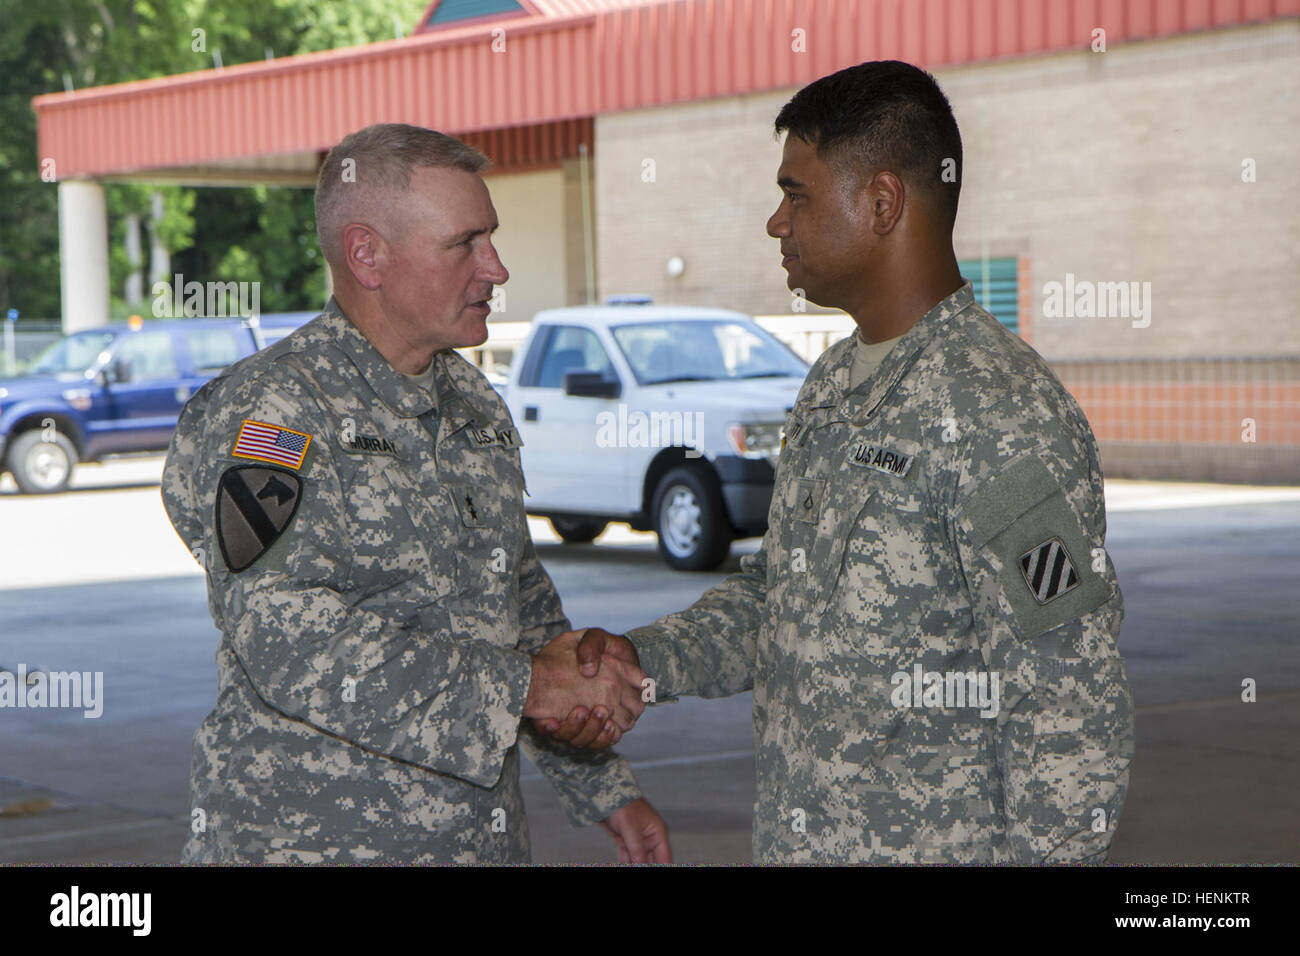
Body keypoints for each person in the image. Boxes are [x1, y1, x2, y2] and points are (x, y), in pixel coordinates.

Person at [537, 61, 1134, 864]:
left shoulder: (997, 411)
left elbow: (1068, 703)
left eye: (797, 195)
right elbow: (782, 601)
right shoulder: (830, 386)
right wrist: (643, 662)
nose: (776, 223)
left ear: (882, 204)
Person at [161, 123, 670, 864]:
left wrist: (602, 786)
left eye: (491, 238)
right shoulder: (274, 412)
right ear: (367, 255)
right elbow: (287, 638)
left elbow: (519, 606)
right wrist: (527, 689)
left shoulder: (472, 402)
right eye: (465, 243)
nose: (496, 268)